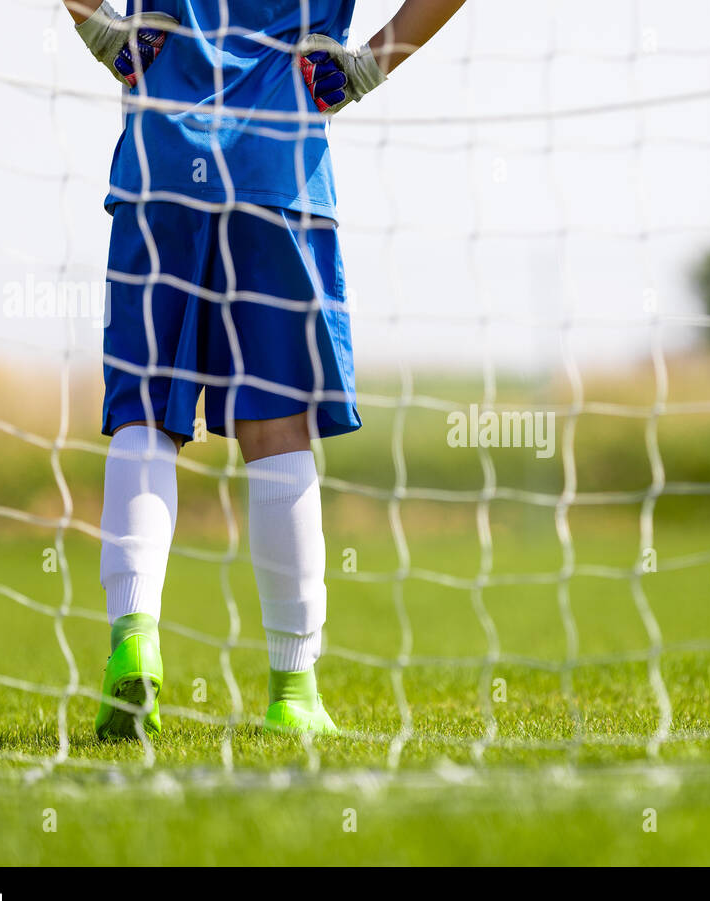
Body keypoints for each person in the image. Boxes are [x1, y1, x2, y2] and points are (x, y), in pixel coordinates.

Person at [63, 0, 467, 739]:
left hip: (161, 153)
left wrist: (98, 27)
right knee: (277, 426)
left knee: (146, 413)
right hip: (278, 161)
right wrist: (370, 65)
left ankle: (133, 640)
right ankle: (293, 690)